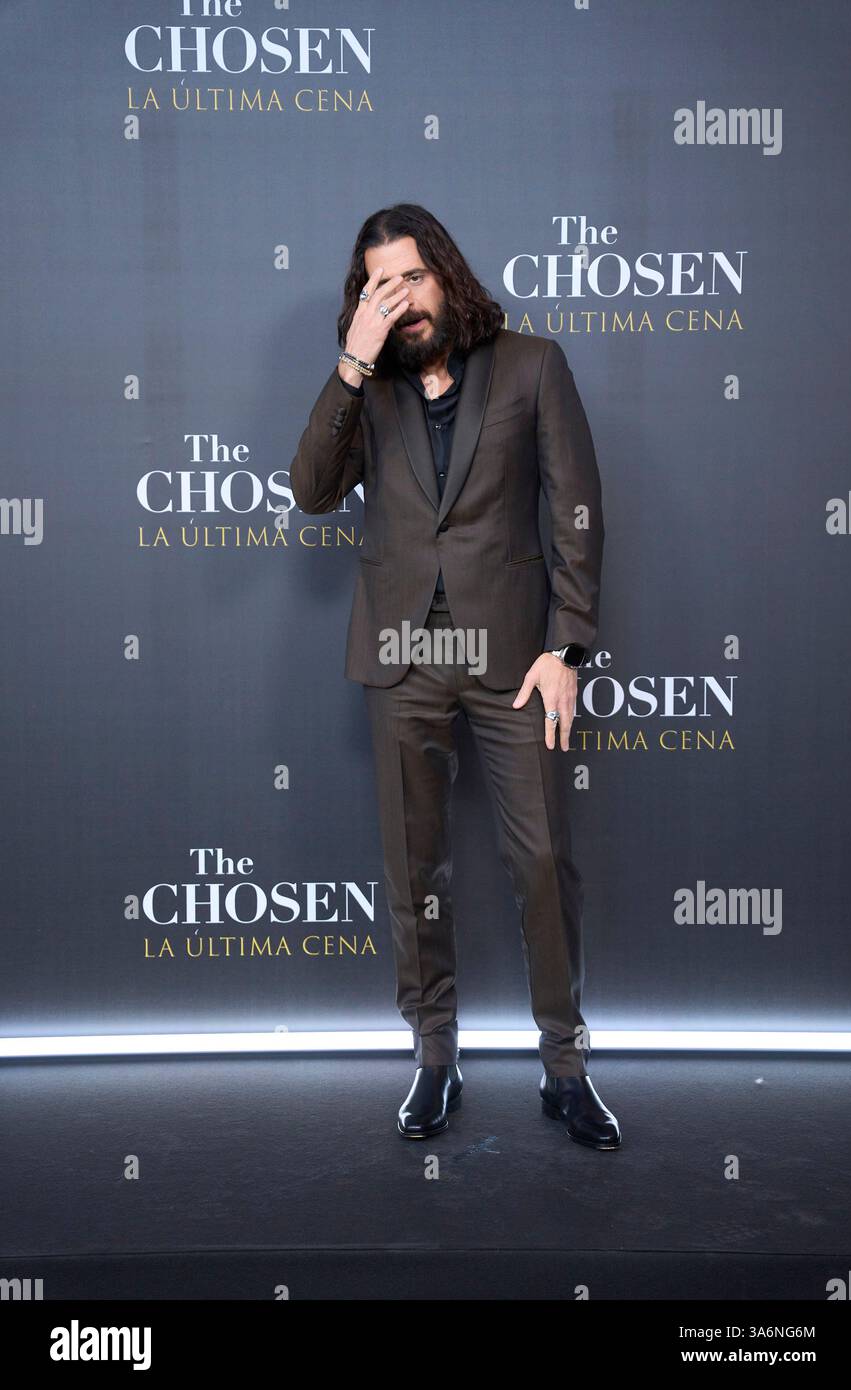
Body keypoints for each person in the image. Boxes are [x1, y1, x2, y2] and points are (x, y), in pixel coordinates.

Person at [290, 203, 620, 1150]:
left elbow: (576, 514)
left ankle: (566, 1068)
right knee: (414, 870)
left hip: (515, 659)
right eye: (378, 285)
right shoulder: (370, 386)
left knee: (543, 861)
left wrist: (568, 649)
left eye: (412, 278)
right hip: (403, 661)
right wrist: (353, 359)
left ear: (449, 276)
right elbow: (311, 490)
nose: (399, 299)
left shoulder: (532, 365)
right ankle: (436, 1057)